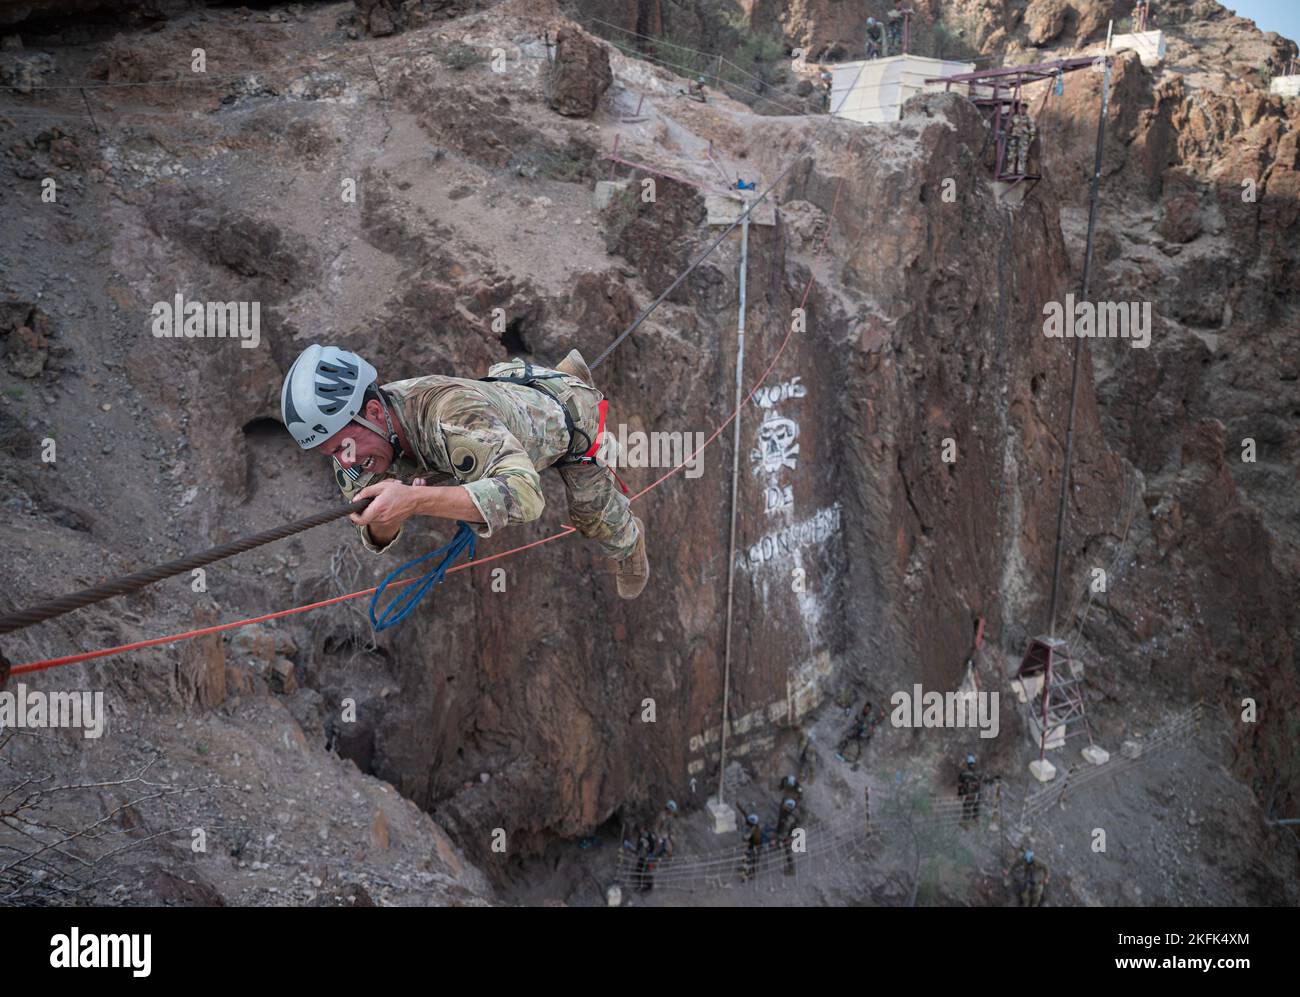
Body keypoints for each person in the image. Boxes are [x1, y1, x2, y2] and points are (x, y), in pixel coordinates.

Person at [280, 344, 648, 599]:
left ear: (374, 413)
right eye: (329, 453)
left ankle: (630, 544)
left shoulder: (448, 415)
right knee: (482, 451)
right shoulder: (354, 447)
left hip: (565, 428)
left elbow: (526, 498)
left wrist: (415, 499)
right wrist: (388, 512)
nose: (343, 462)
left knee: (593, 517)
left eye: (344, 447)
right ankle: (554, 382)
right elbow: (378, 527)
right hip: (499, 416)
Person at [775, 797, 799, 876]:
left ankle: (791, 869)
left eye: (785, 805)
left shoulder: (790, 817)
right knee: (786, 850)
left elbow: (786, 828)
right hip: (787, 834)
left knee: (788, 851)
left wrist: (780, 837)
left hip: (788, 836)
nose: (784, 806)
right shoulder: (788, 812)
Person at [958, 754, 981, 824]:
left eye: (972, 764)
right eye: (971, 764)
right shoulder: (976, 773)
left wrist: (960, 793)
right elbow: (960, 784)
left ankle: (973, 819)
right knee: (970, 806)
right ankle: (969, 820)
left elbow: (960, 784)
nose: (972, 765)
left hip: (970, 793)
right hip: (970, 794)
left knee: (970, 806)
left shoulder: (964, 773)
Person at [739, 813, 762, 881]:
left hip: (754, 848)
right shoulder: (755, 827)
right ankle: (746, 871)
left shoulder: (755, 831)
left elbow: (747, 838)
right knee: (746, 860)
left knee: (751, 862)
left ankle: (749, 875)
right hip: (751, 846)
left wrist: (746, 840)